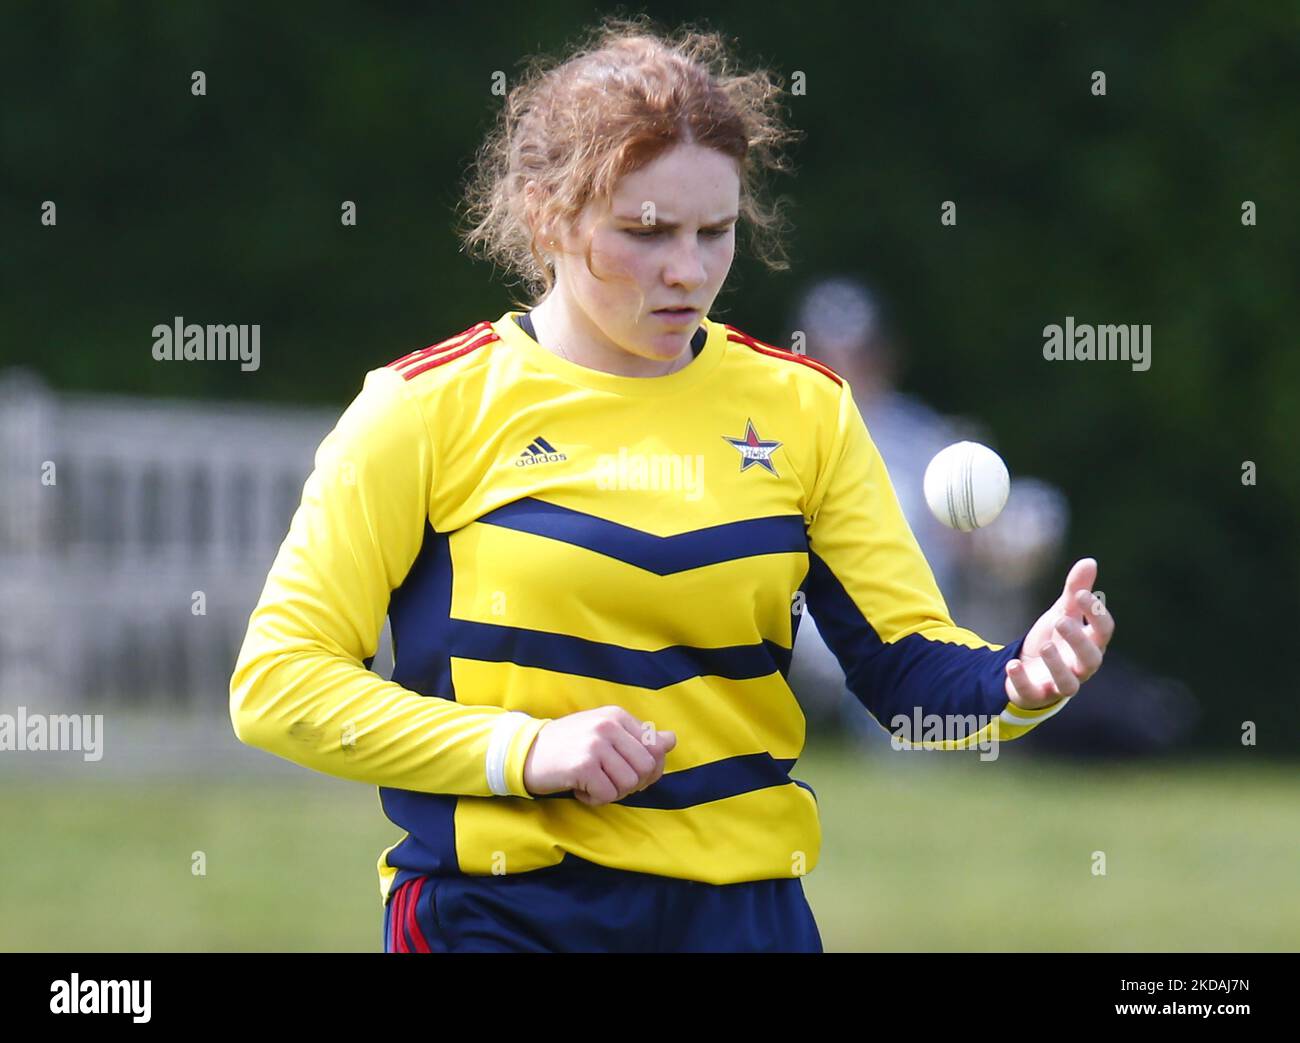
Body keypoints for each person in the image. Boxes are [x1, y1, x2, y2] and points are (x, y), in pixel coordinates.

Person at [228, 17, 1115, 954]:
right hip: (502, 912)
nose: (688, 271)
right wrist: (521, 751)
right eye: (645, 232)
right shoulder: (421, 410)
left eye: (714, 231)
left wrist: (1018, 680)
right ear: (548, 217)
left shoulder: (806, 409)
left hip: (744, 918)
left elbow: (905, 670)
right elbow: (279, 684)